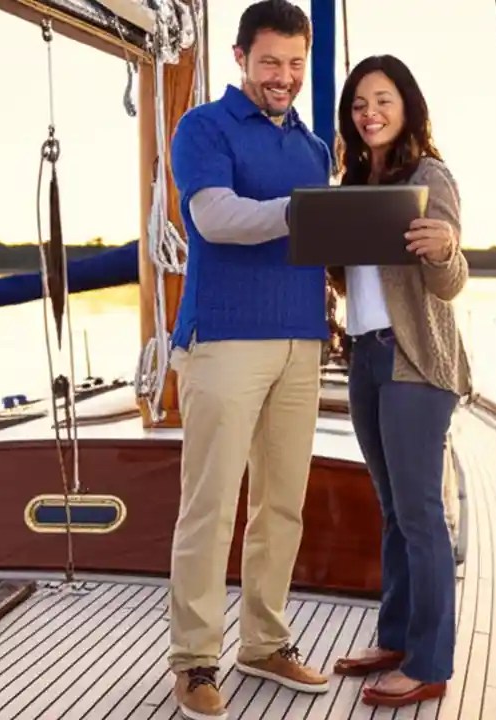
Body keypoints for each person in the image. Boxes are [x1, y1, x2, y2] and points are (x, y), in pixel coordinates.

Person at [165, 2, 332, 718]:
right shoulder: (202, 127)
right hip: (225, 340)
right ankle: (195, 660)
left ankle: (265, 643)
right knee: (210, 508)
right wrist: (303, 212)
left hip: (301, 342)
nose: (285, 77)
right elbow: (215, 218)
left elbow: (321, 244)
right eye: (270, 62)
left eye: (296, 63)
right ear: (240, 58)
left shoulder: (316, 148)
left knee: (281, 505)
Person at [327, 54, 472, 708]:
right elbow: (350, 281)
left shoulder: (430, 176)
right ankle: (395, 637)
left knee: (421, 516)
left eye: (382, 100)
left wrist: (445, 249)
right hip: (364, 358)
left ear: (405, 106)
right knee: (392, 510)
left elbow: (448, 281)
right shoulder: (351, 183)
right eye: (359, 104)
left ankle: (430, 662)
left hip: (414, 361)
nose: (370, 113)